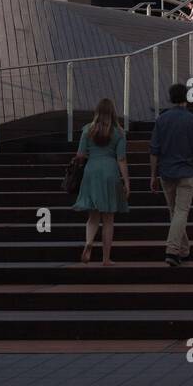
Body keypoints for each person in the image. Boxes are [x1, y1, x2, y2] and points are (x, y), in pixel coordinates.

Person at [149, 83, 193, 266]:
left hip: (166, 172)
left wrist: (153, 175)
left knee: (175, 213)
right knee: (181, 212)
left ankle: (184, 250)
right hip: (187, 172)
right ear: (186, 97)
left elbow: (154, 151)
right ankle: (172, 250)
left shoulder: (161, 120)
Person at [71, 98, 130, 265]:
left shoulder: (87, 130)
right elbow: (122, 159)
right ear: (113, 113)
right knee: (108, 219)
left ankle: (89, 242)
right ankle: (105, 258)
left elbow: (80, 154)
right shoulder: (119, 132)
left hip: (91, 171)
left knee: (93, 215)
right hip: (110, 171)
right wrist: (126, 181)